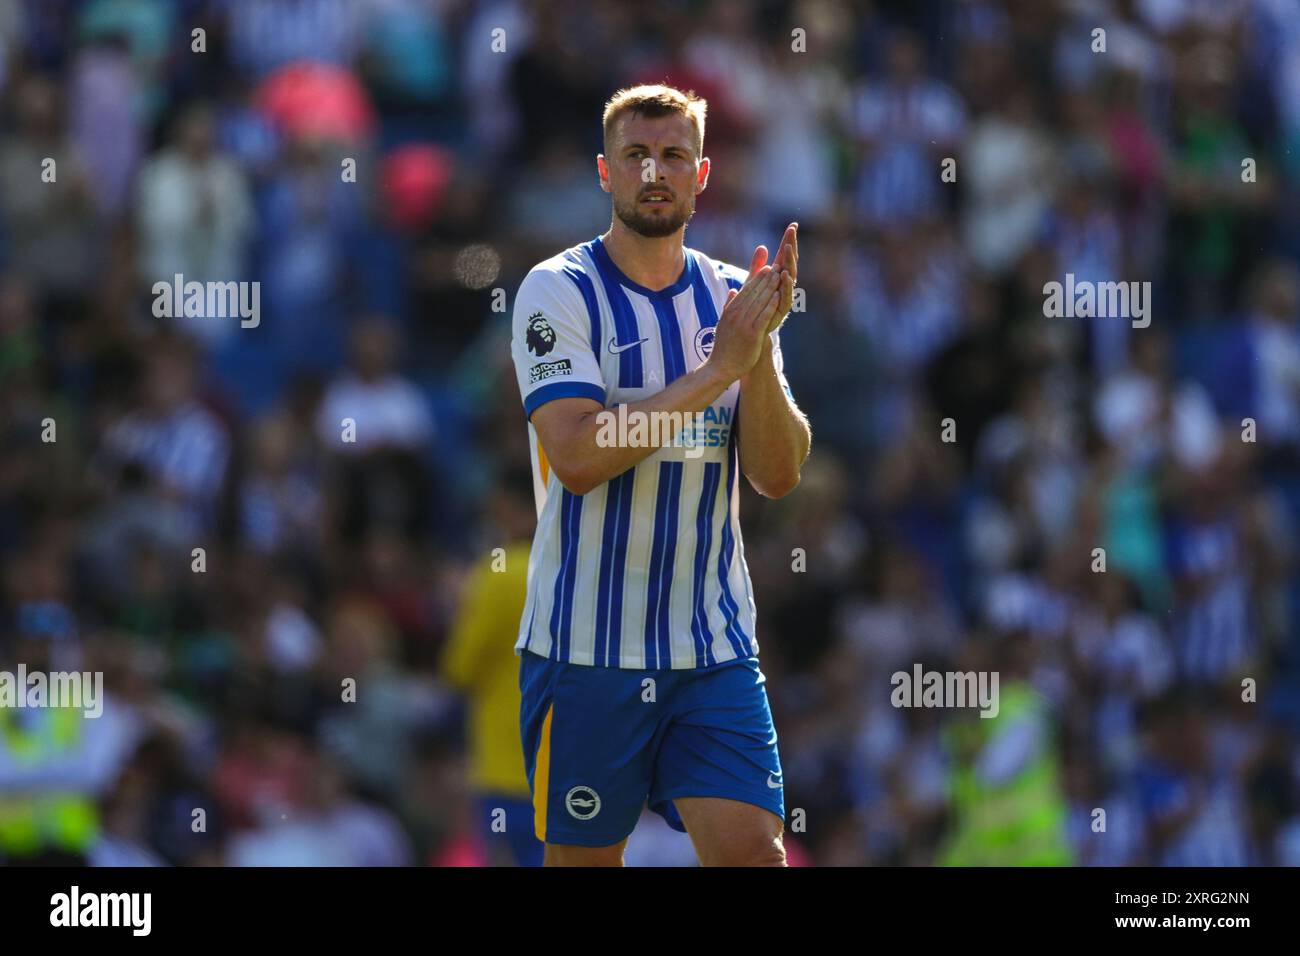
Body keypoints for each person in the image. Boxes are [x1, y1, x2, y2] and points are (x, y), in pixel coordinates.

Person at [508, 84, 811, 866]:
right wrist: (718, 372)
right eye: (635, 155)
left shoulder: (731, 299)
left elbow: (778, 476)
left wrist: (761, 360)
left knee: (753, 853)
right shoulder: (556, 291)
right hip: (584, 650)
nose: (654, 171)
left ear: (701, 174)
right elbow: (577, 458)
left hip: (710, 646)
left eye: (673, 155)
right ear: (604, 173)